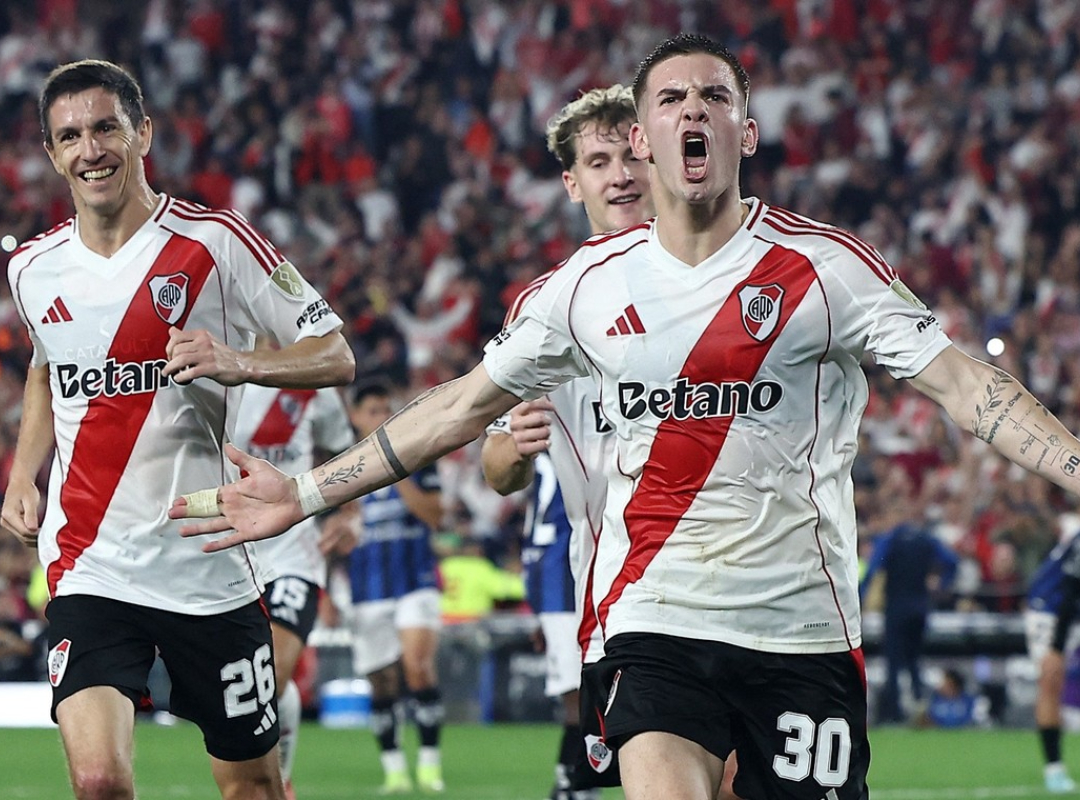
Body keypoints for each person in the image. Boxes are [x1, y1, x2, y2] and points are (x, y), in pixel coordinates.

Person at [173, 34, 1080, 800]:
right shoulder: (579, 292)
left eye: (715, 97)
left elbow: (969, 388)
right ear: (643, 138)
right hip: (650, 620)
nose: (694, 111)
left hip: (801, 626)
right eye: (672, 98)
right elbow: (458, 409)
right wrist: (302, 493)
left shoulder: (827, 270)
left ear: (747, 131)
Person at [2, 59, 354, 800]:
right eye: (70, 135)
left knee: (253, 788)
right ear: (50, 153)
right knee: (98, 782)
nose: (90, 149)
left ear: (143, 134)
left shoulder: (217, 242)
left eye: (106, 128)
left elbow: (335, 353)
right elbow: (44, 365)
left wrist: (239, 362)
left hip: (207, 568)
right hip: (89, 562)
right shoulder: (34, 268)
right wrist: (25, 470)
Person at [480, 84, 653, 800]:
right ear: (571, 181)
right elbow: (493, 465)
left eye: (631, 154)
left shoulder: (736, 270)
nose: (620, 175)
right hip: (623, 588)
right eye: (599, 160)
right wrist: (513, 446)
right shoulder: (550, 304)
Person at [232, 380, 358, 797]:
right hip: (229, 555)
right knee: (239, 688)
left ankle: (280, 777)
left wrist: (350, 513)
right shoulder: (213, 375)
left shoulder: (310, 385)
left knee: (270, 674)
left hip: (293, 556)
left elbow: (345, 449)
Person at [342, 383, 447, 794]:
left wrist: (394, 468)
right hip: (366, 585)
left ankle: (430, 764)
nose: (381, 416)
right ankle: (394, 770)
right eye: (372, 410)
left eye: (386, 408)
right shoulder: (342, 462)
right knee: (381, 681)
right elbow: (335, 529)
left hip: (415, 579)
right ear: (354, 416)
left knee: (417, 666)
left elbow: (435, 515)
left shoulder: (418, 454)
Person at [859, 518, 959, 724]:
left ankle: (894, 714)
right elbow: (951, 561)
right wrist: (942, 583)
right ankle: (919, 707)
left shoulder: (891, 540)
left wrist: (860, 595)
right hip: (920, 607)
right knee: (914, 660)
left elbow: (873, 568)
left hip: (896, 606)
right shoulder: (926, 539)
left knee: (893, 661)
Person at [1026, 515, 1080, 793]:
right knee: (1051, 682)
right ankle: (1054, 769)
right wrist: (1057, 649)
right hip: (1050, 613)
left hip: (1070, 614)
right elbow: (1071, 590)